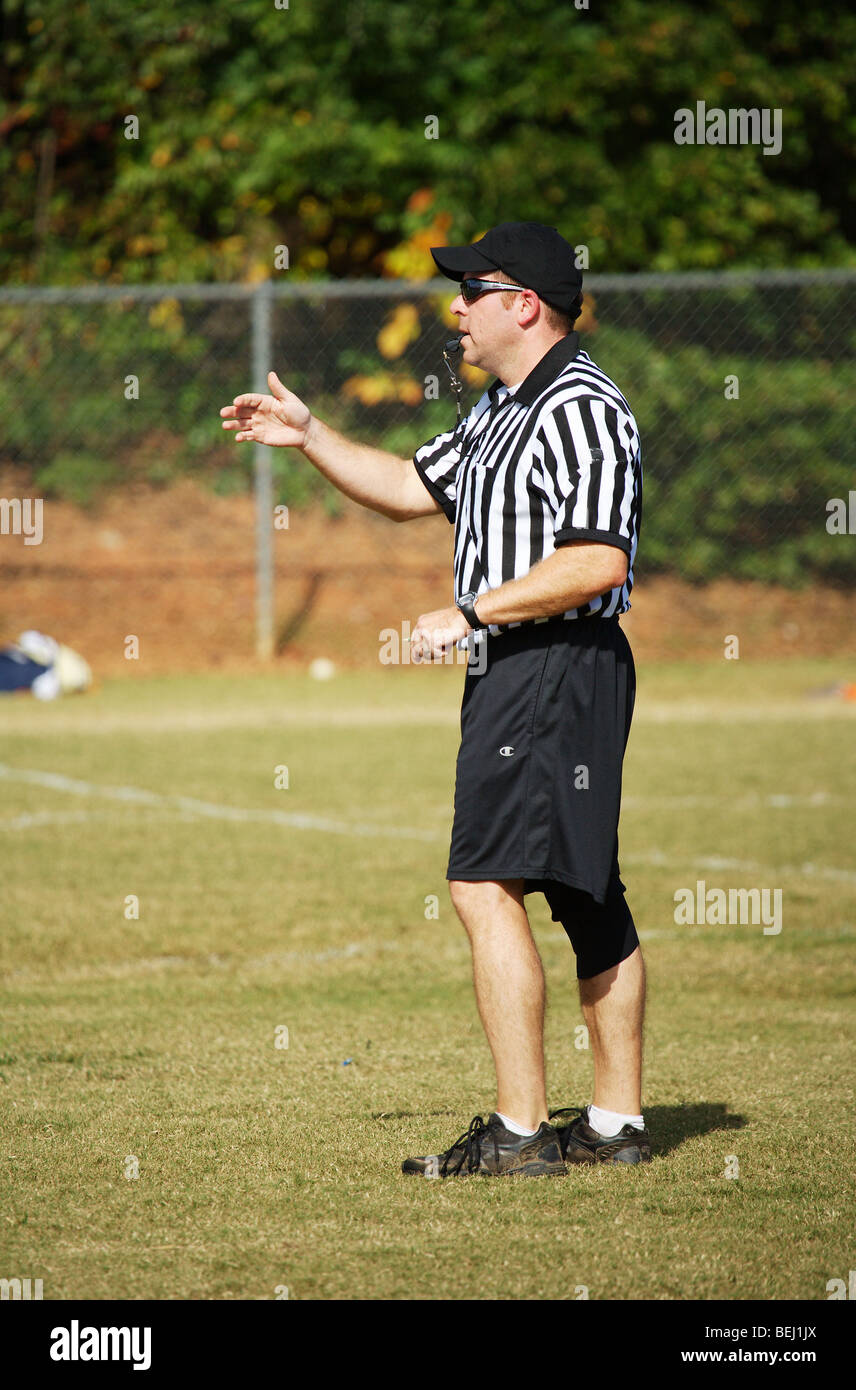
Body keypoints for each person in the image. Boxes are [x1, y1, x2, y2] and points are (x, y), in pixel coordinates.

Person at [220, 221, 648, 1179]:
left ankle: (520, 1134)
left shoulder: (583, 406)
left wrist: (471, 612)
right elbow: (412, 485)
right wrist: (312, 437)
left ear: (523, 304)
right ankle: (615, 1128)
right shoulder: (502, 409)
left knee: (481, 883)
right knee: (586, 893)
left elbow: (598, 558)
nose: (454, 309)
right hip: (529, 669)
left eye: (472, 290)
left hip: (551, 664)